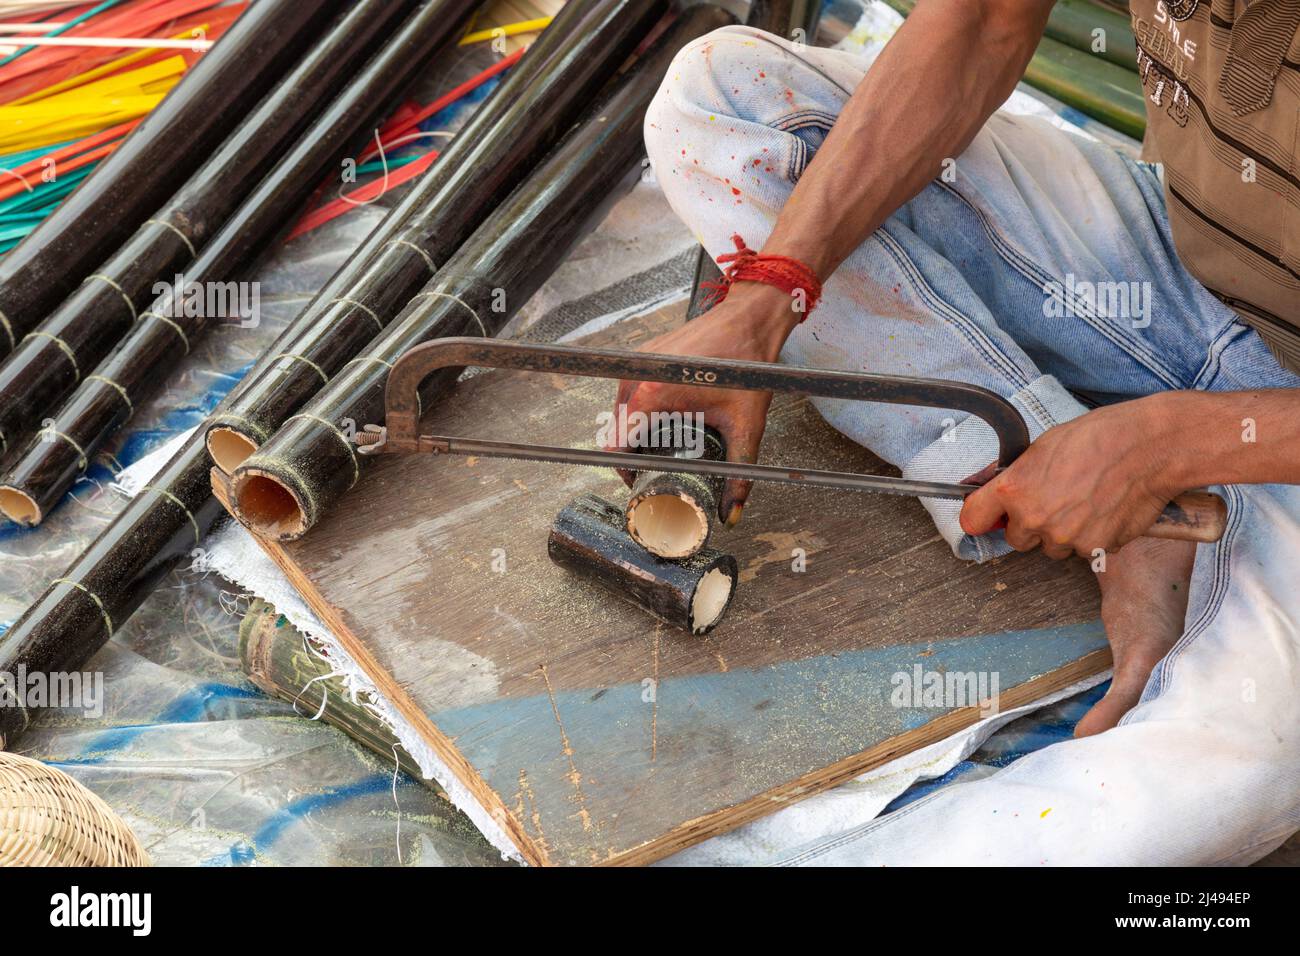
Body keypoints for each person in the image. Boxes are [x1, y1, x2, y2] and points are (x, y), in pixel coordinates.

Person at [611, 0, 1300, 863]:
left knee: (1230, 772)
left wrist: (1167, 445)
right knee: (720, 99)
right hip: (1180, 264)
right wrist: (770, 294)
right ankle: (1036, 453)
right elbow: (978, 21)